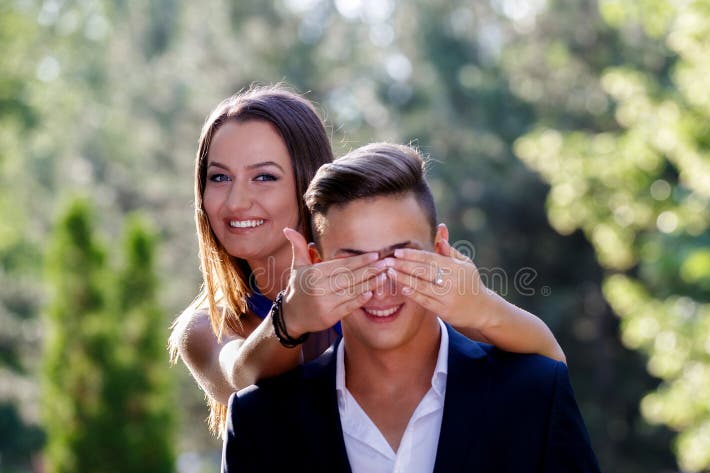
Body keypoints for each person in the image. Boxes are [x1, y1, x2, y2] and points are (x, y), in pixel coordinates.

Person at [216, 143, 618, 473]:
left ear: (440, 250)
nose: (381, 284)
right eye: (354, 262)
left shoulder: (533, 397)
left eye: (401, 256)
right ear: (316, 266)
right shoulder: (261, 425)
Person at [169, 84, 567, 436]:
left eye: (264, 177)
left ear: (309, 184)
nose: (236, 201)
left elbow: (547, 367)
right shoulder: (207, 326)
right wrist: (292, 319)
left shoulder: (386, 285)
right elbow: (241, 380)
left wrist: (478, 303)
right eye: (219, 178)